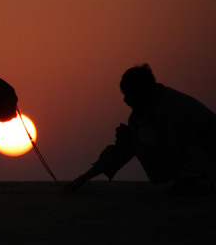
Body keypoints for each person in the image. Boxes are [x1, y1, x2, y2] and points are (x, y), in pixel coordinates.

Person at [66, 64, 216, 194]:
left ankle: (200, 182)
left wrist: (133, 140)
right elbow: (122, 151)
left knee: (144, 136)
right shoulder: (142, 113)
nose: (125, 100)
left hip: (206, 157)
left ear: (143, 92)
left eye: (129, 94)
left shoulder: (170, 108)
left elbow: (171, 149)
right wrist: (83, 179)